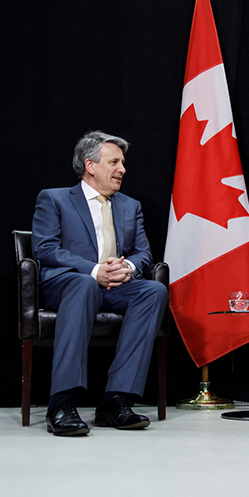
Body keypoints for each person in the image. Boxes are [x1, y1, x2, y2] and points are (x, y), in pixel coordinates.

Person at [32, 131, 168, 436]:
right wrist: (95, 271)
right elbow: (46, 249)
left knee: (153, 291)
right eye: (114, 162)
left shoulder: (129, 206)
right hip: (69, 285)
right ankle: (62, 402)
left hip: (116, 286)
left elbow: (143, 253)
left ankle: (116, 399)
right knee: (83, 285)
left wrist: (128, 267)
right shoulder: (54, 199)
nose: (122, 169)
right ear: (90, 165)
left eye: (123, 162)